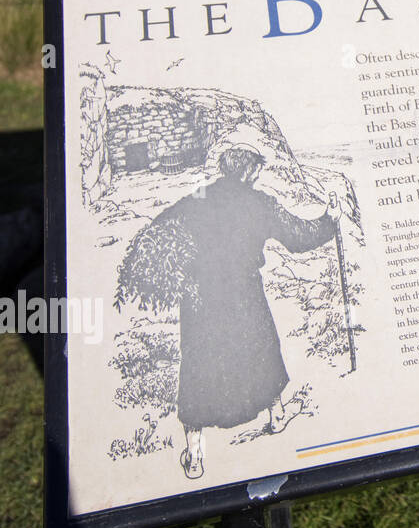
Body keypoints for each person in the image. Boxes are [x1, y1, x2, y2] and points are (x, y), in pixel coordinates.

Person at [116, 145, 340, 480]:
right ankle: (276, 417)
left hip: (200, 298)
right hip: (243, 292)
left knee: (199, 364)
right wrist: (329, 221)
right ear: (250, 172)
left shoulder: (196, 199)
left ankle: (194, 453)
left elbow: (158, 232)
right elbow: (298, 236)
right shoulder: (260, 203)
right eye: (257, 171)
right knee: (261, 350)